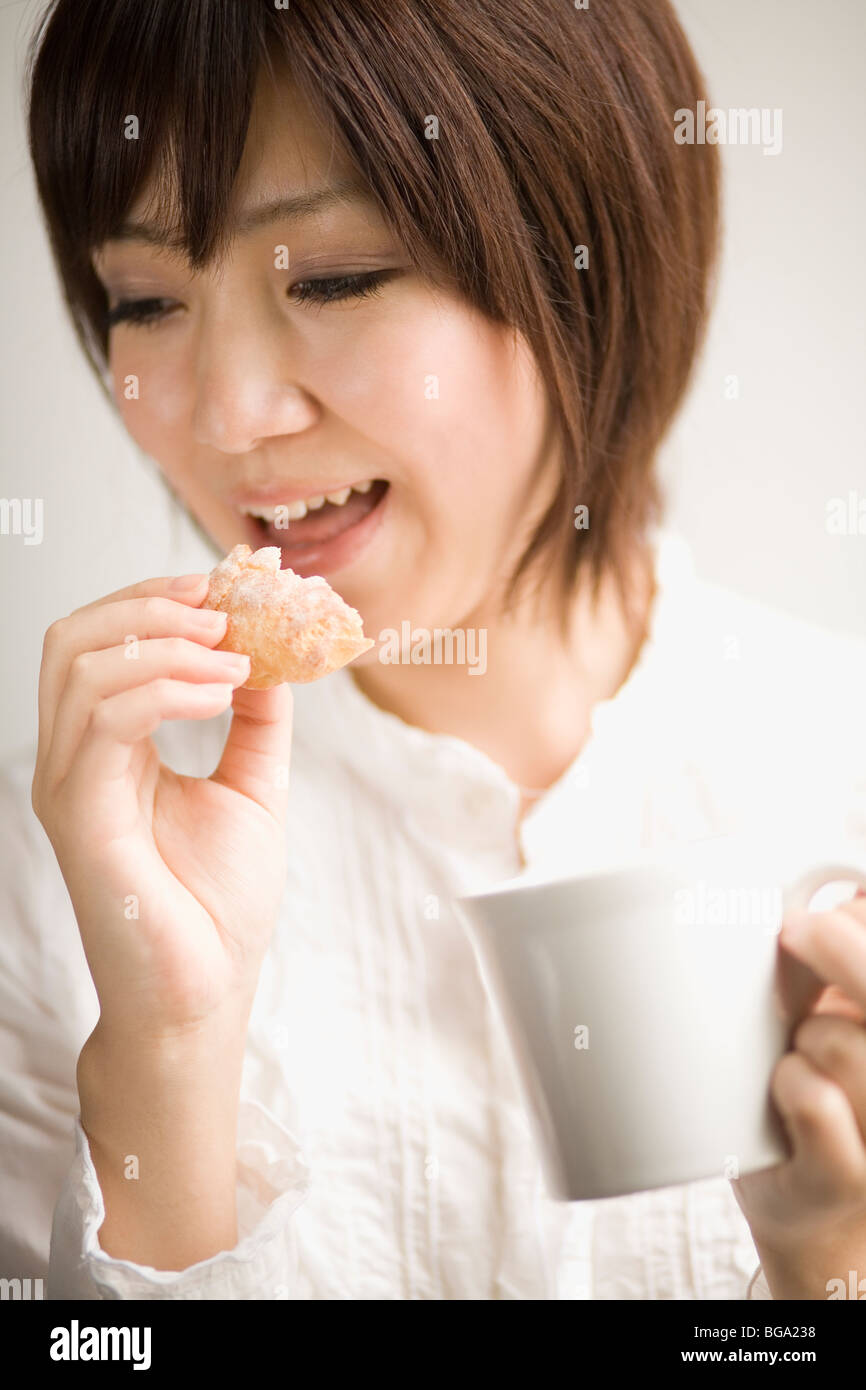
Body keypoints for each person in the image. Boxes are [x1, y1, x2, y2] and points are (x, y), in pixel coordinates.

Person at [1, 0, 864, 1300]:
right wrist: (164, 1063)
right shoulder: (55, 869)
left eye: (334, 277)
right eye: (146, 300)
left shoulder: (832, 763)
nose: (230, 415)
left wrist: (826, 1272)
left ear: (589, 260)